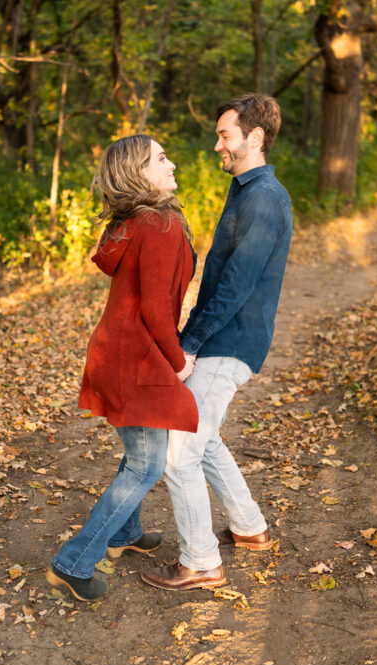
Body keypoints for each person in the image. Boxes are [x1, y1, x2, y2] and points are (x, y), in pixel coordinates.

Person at [142, 93, 292, 591]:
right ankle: (249, 528)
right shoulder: (247, 190)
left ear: (256, 138)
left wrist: (190, 341)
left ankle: (201, 562)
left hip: (231, 340)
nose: (217, 145)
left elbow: (238, 283)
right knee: (203, 441)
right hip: (226, 337)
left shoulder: (266, 198)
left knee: (178, 454)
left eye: (225, 135)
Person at [46, 134, 199, 602]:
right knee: (147, 465)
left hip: (118, 352)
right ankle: (74, 562)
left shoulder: (131, 222)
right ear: (139, 172)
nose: (171, 164)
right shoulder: (158, 224)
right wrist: (179, 361)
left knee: (139, 452)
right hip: (137, 357)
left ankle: (123, 533)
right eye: (161, 158)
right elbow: (156, 307)